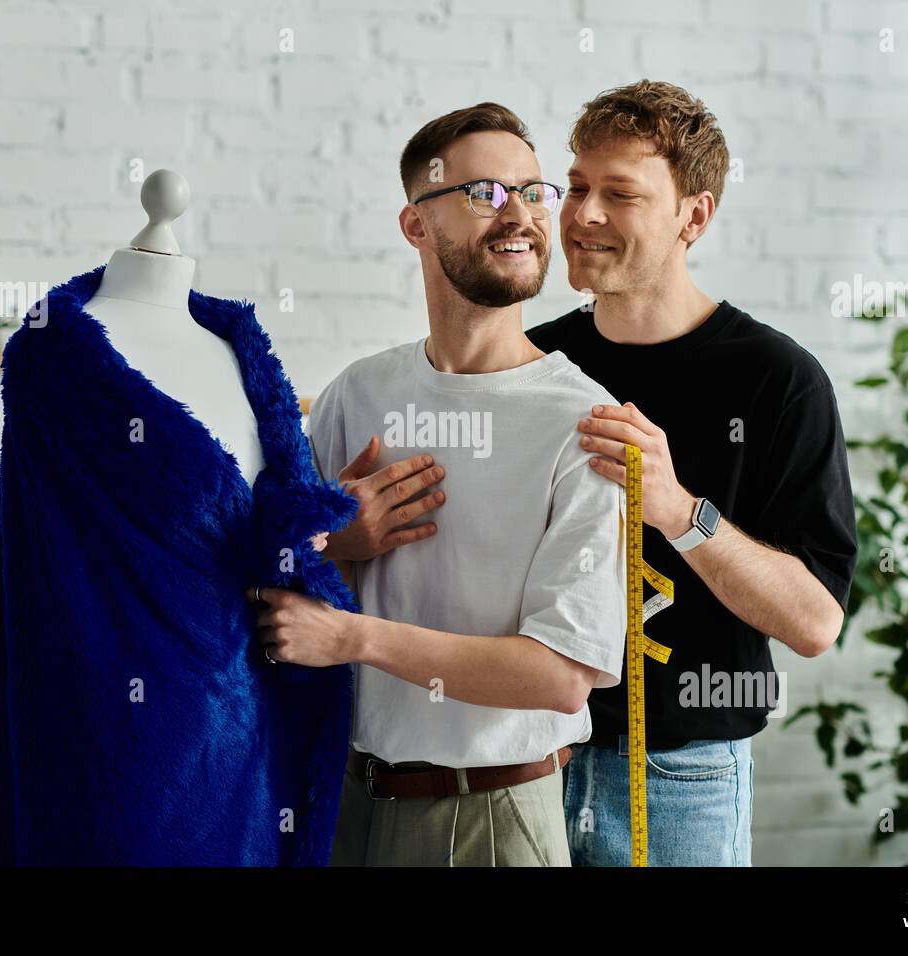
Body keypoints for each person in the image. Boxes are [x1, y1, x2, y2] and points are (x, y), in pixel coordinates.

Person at [248, 102, 625, 866]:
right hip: (347, 801)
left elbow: (562, 675)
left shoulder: (584, 421)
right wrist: (336, 543)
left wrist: (356, 638)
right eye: (485, 192)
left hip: (492, 816)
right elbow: (274, 606)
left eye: (532, 190)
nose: (519, 214)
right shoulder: (356, 395)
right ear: (416, 225)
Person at [527, 80, 858, 867]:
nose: (583, 215)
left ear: (694, 216)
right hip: (531, 762)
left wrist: (681, 511)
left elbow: (814, 623)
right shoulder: (534, 361)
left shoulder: (780, 381)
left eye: (620, 194)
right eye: (575, 187)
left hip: (684, 780)